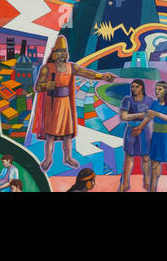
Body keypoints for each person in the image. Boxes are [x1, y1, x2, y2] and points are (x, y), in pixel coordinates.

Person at [31, 35, 115, 170]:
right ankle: (47, 160)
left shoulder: (71, 67)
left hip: (65, 105)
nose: (63, 54)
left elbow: (88, 73)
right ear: (54, 53)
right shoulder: (46, 68)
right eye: (60, 51)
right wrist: (47, 85)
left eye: (65, 51)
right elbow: (37, 87)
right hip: (51, 106)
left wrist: (103, 76)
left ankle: (68, 158)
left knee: (67, 135)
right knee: (50, 136)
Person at [144, 81, 167, 193]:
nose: (157, 92)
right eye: (156, 89)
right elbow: (147, 117)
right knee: (154, 166)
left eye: (159, 89)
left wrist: (156, 114)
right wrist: (140, 127)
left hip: (166, 137)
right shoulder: (154, 104)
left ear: (166, 90)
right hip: (156, 136)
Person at [117, 79, 153, 192]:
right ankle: (125, 183)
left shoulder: (149, 100)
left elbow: (150, 116)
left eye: (136, 86)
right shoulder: (127, 100)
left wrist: (140, 126)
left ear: (142, 87)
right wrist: (140, 115)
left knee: (146, 158)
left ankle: (147, 181)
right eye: (132, 87)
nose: (134, 89)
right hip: (131, 130)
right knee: (129, 158)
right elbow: (123, 117)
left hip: (144, 129)